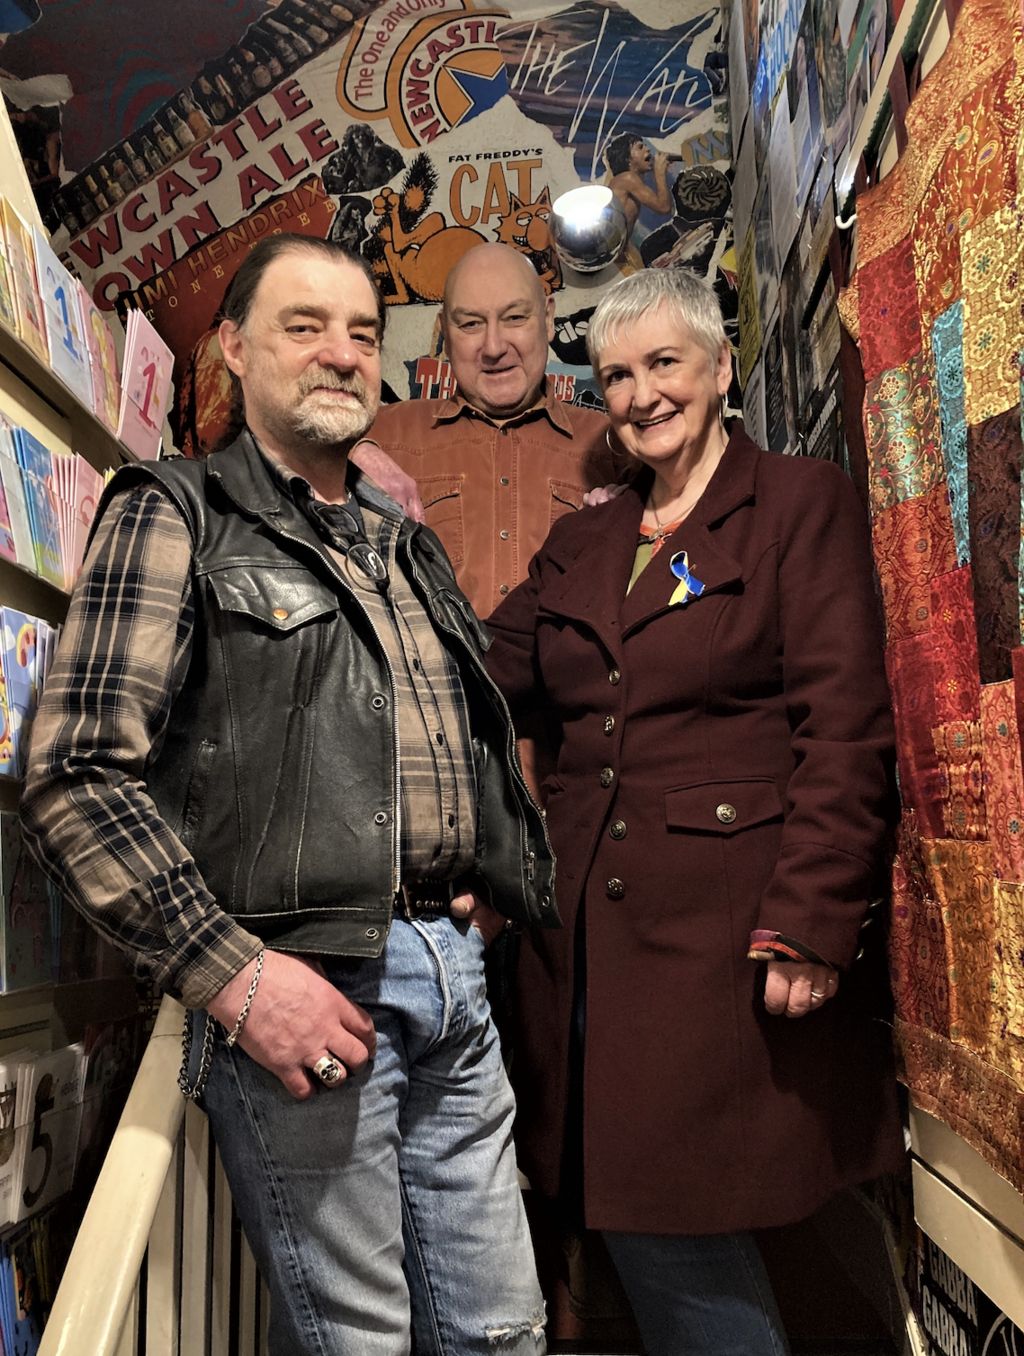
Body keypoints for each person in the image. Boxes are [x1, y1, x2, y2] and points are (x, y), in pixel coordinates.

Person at [20, 233, 554, 1356]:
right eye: (303, 326)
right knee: (359, 1340)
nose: (342, 353)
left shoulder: (405, 544)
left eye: (362, 332)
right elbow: (75, 773)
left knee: (505, 1331)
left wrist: (485, 880)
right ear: (233, 347)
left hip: (453, 978)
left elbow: (453, 734)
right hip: (306, 981)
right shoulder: (173, 511)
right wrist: (236, 977)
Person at [483, 268, 903, 1355]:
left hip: (726, 939)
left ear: (720, 369)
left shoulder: (797, 503)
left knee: (692, 1226)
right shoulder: (585, 540)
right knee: (644, 1219)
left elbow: (844, 726)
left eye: (663, 363)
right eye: (616, 375)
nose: (640, 394)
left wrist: (811, 920)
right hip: (582, 950)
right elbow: (481, 669)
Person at [356, 242, 618, 619]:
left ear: (548, 319)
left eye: (514, 318)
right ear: (444, 330)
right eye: (470, 324)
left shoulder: (614, 445)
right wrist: (352, 450)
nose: (494, 347)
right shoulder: (383, 436)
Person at [604, 133, 673, 252]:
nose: (647, 149)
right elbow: (664, 207)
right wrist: (660, 173)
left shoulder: (628, 181)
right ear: (627, 159)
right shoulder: (627, 178)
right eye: (640, 147)